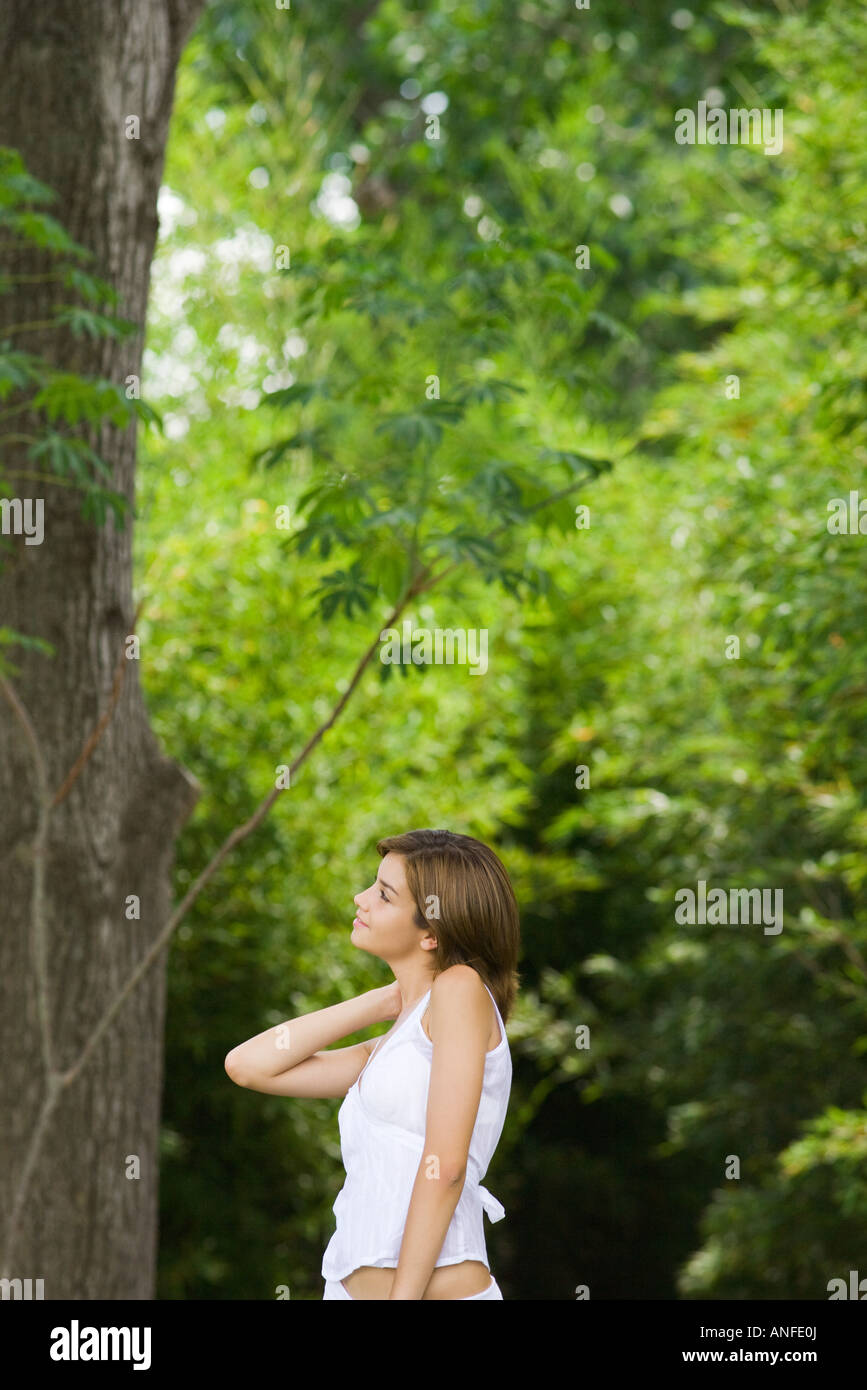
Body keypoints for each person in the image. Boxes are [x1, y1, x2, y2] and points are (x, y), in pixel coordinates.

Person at [225, 828, 519, 1299]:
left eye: (383, 894)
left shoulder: (461, 988)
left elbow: (445, 1167)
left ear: (432, 933)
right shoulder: (390, 1045)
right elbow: (248, 1065)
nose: (360, 898)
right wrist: (383, 1001)